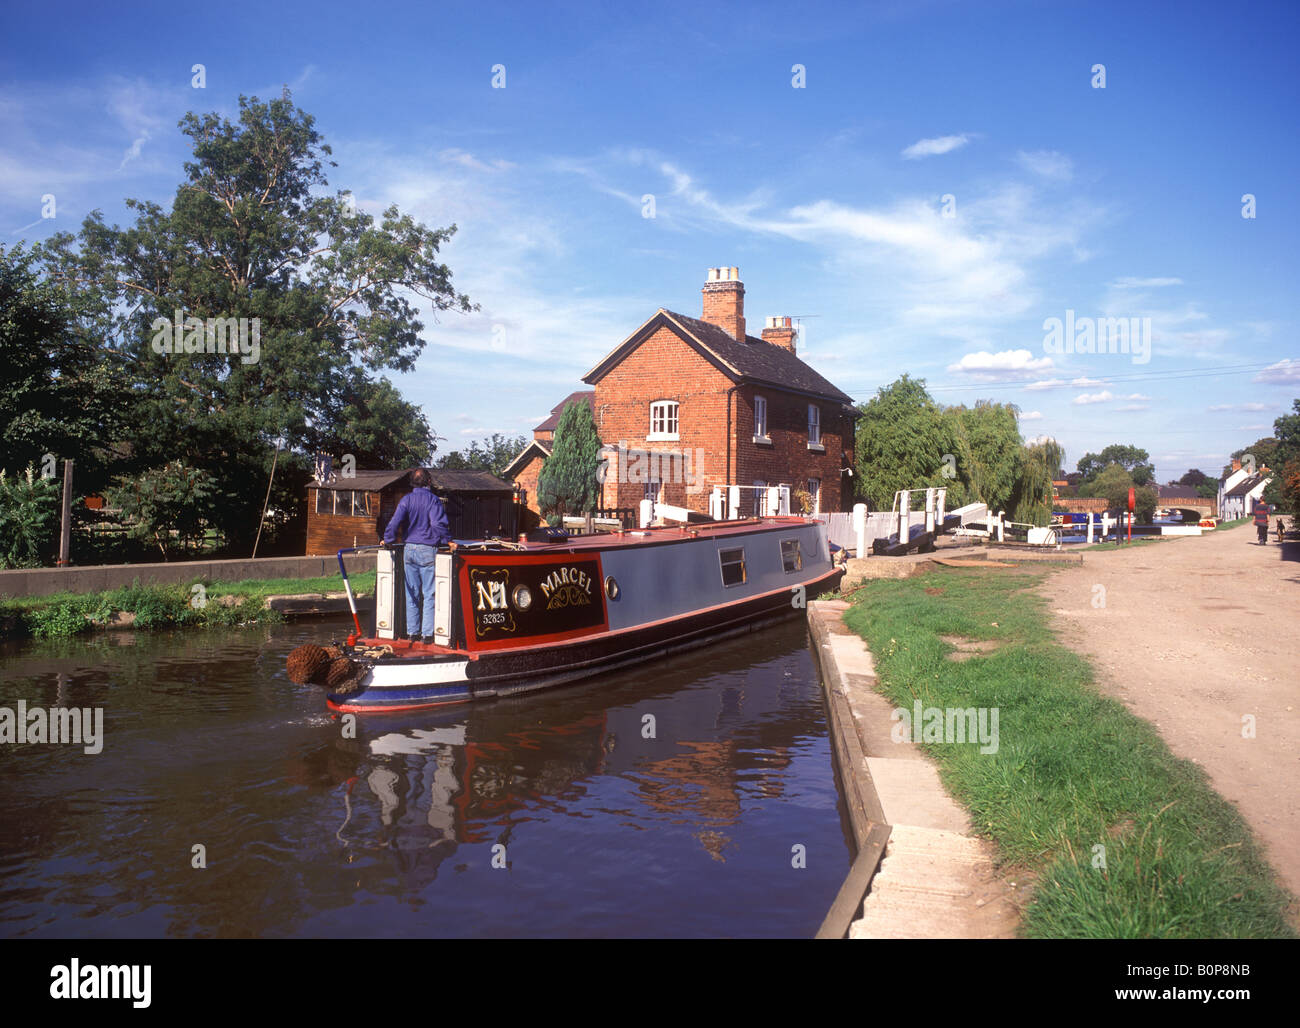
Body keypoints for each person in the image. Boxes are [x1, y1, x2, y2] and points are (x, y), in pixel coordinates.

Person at [382, 469, 452, 643]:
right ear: (429, 481)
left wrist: (388, 539)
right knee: (429, 594)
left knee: (411, 593)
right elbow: (437, 524)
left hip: (409, 549)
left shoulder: (406, 500)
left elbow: (394, 521)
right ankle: (427, 635)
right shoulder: (433, 500)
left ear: (412, 483)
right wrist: (448, 541)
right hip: (428, 549)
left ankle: (412, 632)